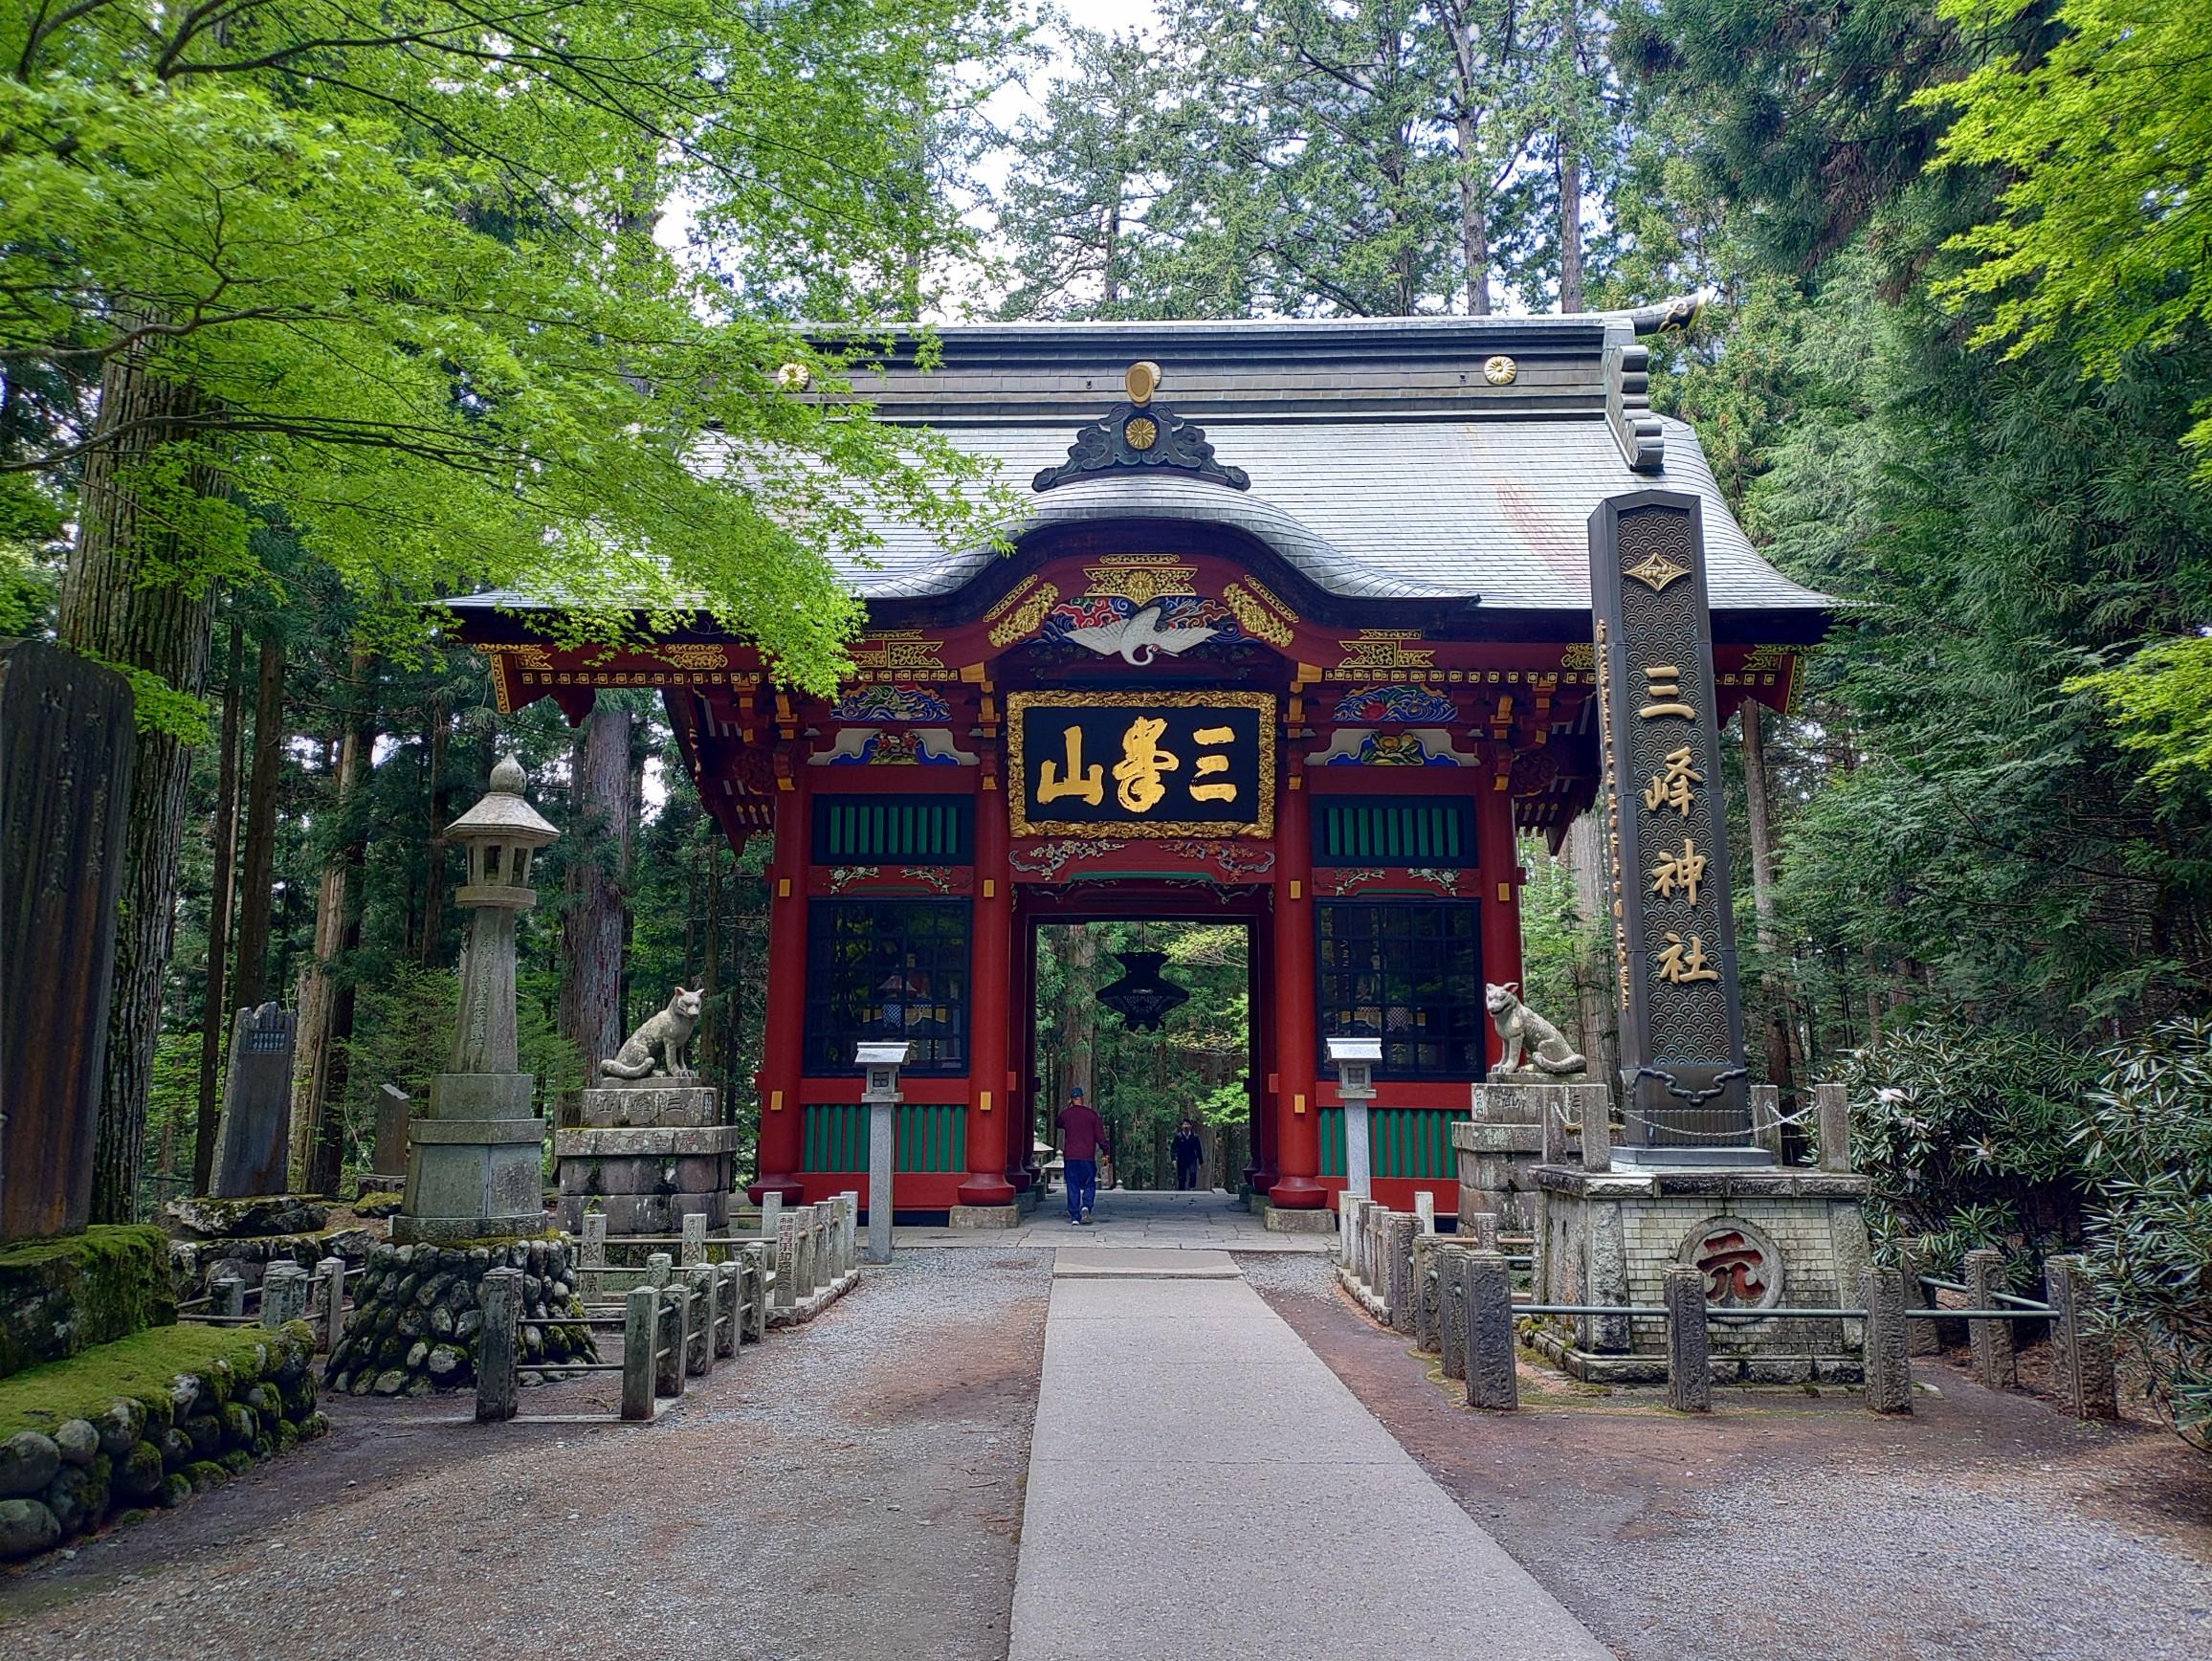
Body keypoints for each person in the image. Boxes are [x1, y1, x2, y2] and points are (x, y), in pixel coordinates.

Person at [1057, 1085, 1108, 1225]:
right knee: (1089, 1183)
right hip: (1087, 1156)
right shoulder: (1091, 1115)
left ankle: (1074, 1216)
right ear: (1082, 1099)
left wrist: (1068, 1109)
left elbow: (1058, 1123)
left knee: (1072, 1185)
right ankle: (1086, 1206)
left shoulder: (1066, 1115)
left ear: (1072, 1099)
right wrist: (1106, 1151)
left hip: (1071, 1156)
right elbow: (1100, 1136)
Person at [1172, 1119, 1204, 1191]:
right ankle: (1181, 1191)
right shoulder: (1178, 1137)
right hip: (1181, 1159)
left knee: (1193, 1174)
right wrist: (1173, 1159)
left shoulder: (1195, 1137)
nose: (1186, 1127)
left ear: (1191, 1126)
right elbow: (1173, 1148)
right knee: (1181, 1176)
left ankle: (1192, 1188)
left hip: (1192, 1159)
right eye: (1184, 1125)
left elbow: (1198, 1149)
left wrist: (1201, 1162)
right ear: (1181, 1127)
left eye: (1188, 1125)